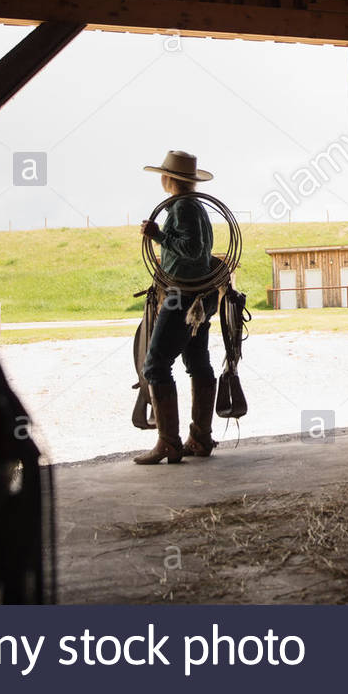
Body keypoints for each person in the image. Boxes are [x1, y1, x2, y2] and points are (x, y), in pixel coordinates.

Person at [134, 150, 218, 465]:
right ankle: (200, 437)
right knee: (198, 363)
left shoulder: (182, 207)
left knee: (155, 365)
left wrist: (158, 236)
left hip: (182, 296)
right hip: (201, 296)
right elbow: (198, 252)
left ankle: (169, 443)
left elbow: (193, 250)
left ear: (169, 178)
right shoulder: (194, 207)